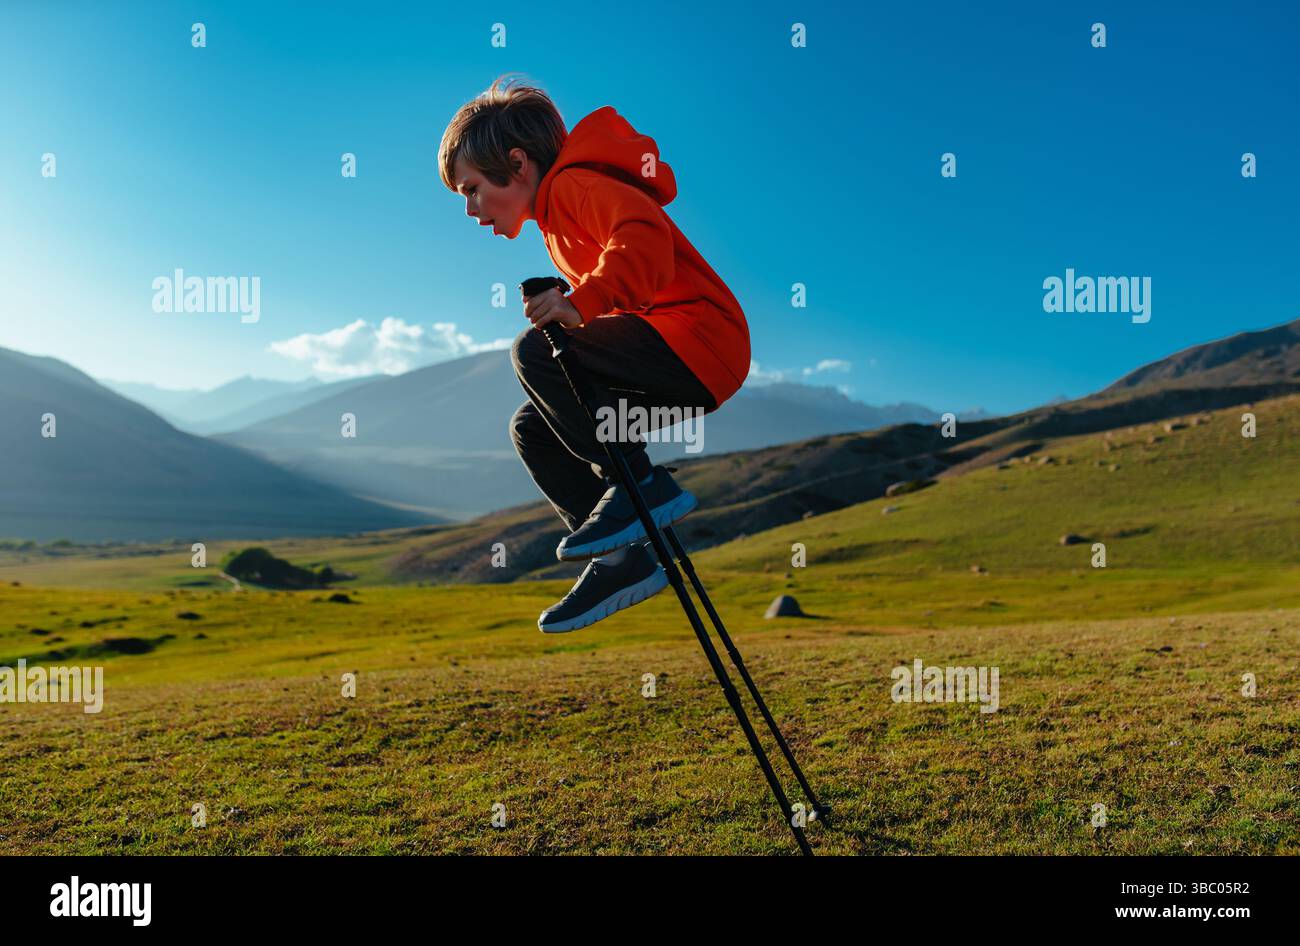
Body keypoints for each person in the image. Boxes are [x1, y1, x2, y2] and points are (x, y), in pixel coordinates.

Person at [438, 74, 750, 632]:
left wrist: (582, 303)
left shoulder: (577, 183)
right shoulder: (554, 221)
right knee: (532, 427)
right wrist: (581, 307)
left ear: (516, 163)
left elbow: (642, 239)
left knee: (536, 353)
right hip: (682, 359)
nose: (469, 209)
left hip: (700, 340)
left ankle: (640, 488)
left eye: (471, 189)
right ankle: (620, 559)